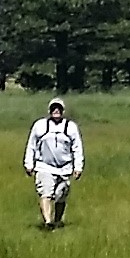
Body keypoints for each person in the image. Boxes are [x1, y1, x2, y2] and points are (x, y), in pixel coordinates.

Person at [24, 98, 84, 230]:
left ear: (63, 111)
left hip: (65, 168)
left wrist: (78, 167)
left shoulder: (71, 127)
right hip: (44, 166)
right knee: (46, 193)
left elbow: (77, 148)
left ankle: (57, 221)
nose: (56, 111)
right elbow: (31, 145)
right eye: (53, 108)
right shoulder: (40, 125)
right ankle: (48, 222)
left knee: (61, 196)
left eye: (58, 108)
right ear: (49, 110)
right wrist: (29, 164)